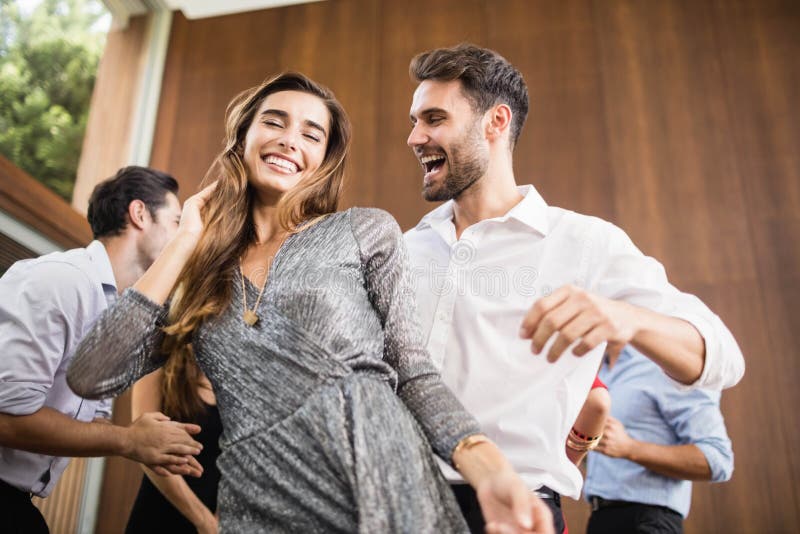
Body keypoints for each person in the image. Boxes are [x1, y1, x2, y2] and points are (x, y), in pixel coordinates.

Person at [67, 72, 553, 534]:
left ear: (324, 158)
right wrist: (185, 240)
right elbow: (91, 376)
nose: (289, 140)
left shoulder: (363, 231)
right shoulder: (201, 270)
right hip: (257, 500)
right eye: (274, 122)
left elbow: (413, 373)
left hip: (381, 482)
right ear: (242, 137)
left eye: (311, 133)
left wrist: (488, 469)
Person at [402, 43, 744, 533]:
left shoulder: (585, 244)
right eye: (414, 121)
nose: (415, 137)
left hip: (513, 513)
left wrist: (629, 318)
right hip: (391, 505)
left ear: (496, 122)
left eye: (434, 119)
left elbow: (723, 359)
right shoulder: (402, 249)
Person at [0, 167, 203, 534]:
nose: (186, 238)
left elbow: (91, 421)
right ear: (139, 214)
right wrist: (128, 439)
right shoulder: (61, 281)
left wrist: (147, 439)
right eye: (177, 222)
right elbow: (7, 418)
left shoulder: (118, 316)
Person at [584, 346, 734, 533]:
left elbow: (717, 459)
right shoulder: (601, 368)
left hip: (648, 522)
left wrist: (630, 448)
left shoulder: (667, 367)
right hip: (600, 517)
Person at [125, 364, 221, 534]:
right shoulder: (158, 362)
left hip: (218, 520)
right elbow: (145, 448)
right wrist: (203, 520)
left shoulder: (238, 371)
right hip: (159, 517)